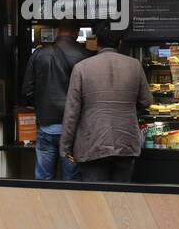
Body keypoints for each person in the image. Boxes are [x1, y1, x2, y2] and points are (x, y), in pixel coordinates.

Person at [60, 21, 151, 183]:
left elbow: (72, 112)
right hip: (125, 142)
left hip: (91, 142)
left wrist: (66, 146)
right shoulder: (135, 66)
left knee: (96, 200)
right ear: (120, 43)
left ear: (96, 43)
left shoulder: (81, 68)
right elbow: (146, 101)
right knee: (121, 197)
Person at [21, 20, 87, 181]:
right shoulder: (85, 56)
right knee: (72, 180)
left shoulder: (39, 54)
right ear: (76, 33)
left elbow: (26, 91)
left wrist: (41, 105)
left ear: (57, 31)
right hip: (73, 129)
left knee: (44, 179)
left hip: (46, 126)